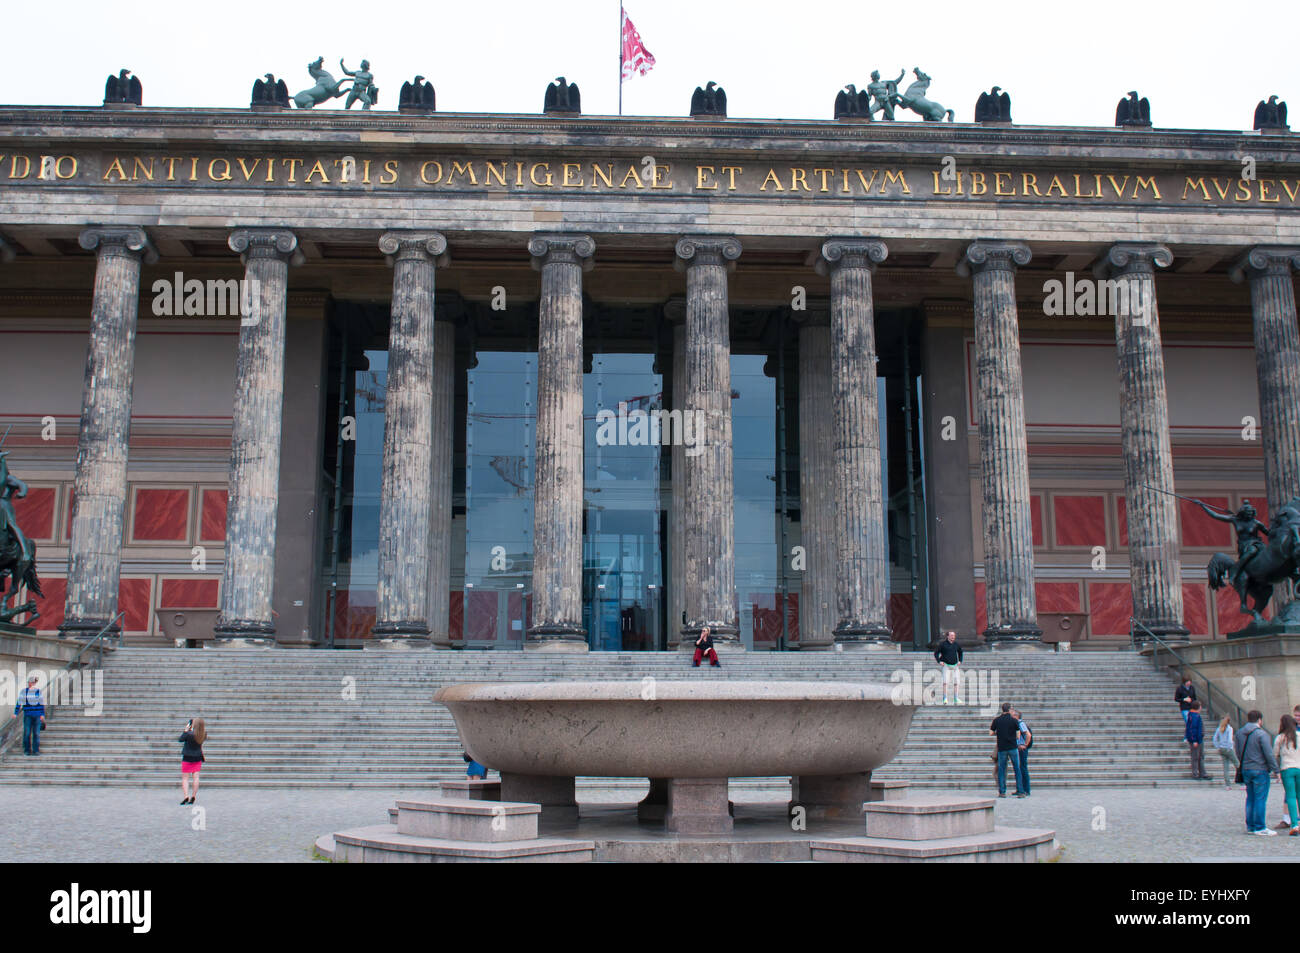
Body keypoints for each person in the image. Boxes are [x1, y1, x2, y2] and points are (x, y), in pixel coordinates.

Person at [1235, 709, 1279, 835]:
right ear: (1260, 720)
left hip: (1246, 769)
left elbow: (1237, 751)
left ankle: (1251, 826)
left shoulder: (1239, 733)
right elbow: (1268, 754)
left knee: (1250, 798)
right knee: (1260, 798)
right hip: (1260, 769)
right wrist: (1276, 769)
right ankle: (1260, 827)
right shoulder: (1261, 734)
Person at [989, 702, 1025, 798]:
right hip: (1012, 747)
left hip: (1002, 748)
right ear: (1009, 710)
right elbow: (1018, 735)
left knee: (1001, 770)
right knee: (1017, 769)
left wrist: (999, 733)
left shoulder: (997, 720)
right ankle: (1021, 791)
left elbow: (991, 733)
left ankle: (1002, 792)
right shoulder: (1014, 721)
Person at [1273, 714, 1299, 835]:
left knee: (1291, 797)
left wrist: (1275, 770)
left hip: (1287, 768)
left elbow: (1275, 754)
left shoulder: (1280, 738)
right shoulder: (1299, 735)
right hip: (1299, 767)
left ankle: (1294, 824)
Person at [13, 675, 44, 756]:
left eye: (35, 682)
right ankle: (27, 750)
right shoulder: (24, 691)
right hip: (28, 715)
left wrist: (42, 714)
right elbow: (19, 702)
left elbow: (41, 704)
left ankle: (36, 750)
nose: (33, 683)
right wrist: (15, 713)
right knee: (27, 733)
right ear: (29, 683)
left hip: (37, 716)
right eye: (32, 682)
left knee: (36, 733)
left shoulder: (38, 692)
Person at [178, 718, 206, 805]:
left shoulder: (188, 734)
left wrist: (186, 730)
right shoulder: (203, 734)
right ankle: (193, 796)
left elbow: (180, 739)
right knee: (196, 777)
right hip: (197, 757)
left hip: (187, 757)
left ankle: (186, 796)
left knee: (185, 778)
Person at [933, 630, 963, 705]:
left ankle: (956, 698)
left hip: (955, 665)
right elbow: (936, 653)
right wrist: (939, 661)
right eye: (951, 635)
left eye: (954, 635)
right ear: (947, 636)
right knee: (945, 682)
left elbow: (960, 652)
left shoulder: (956, 644)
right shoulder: (943, 644)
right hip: (946, 665)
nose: (953, 637)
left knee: (956, 682)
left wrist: (960, 661)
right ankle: (945, 698)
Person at [1184, 701, 1211, 780]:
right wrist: (1194, 740)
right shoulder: (1194, 716)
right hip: (1196, 740)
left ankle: (1202, 773)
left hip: (1199, 739)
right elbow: (1193, 729)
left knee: (1200, 756)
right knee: (1196, 757)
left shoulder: (1194, 716)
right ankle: (1196, 773)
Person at [1211, 715, 1240, 789]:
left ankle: (1228, 784)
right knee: (1237, 764)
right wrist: (1231, 747)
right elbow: (1230, 740)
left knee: (1225, 766)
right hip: (1228, 749)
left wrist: (1218, 746)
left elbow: (1214, 739)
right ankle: (1242, 781)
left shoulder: (1219, 729)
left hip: (1222, 748)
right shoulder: (1229, 729)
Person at [1013, 708, 1032, 796]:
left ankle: (1026, 789)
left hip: (1022, 748)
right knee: (1020, 768)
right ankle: (1020, 788)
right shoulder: (1017, 723)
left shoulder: (1020, 723)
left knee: (1023, 768)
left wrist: (1025, 745)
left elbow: (1028, 734)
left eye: (1012, 715)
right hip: (1019, 748)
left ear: (1016, 716)